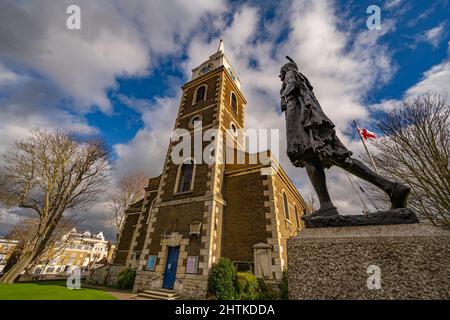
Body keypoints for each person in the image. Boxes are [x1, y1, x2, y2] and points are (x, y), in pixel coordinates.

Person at [280, 56, 410, 217]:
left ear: (286, 69)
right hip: (307, 124)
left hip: (307, 126)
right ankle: (327, 205)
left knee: (338, 158)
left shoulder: (290, 74)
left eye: (281, 72)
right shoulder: (300, 79)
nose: (280, 76)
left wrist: (285, 94)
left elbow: (291, 88)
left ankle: (392, 187)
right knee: (312, 160)